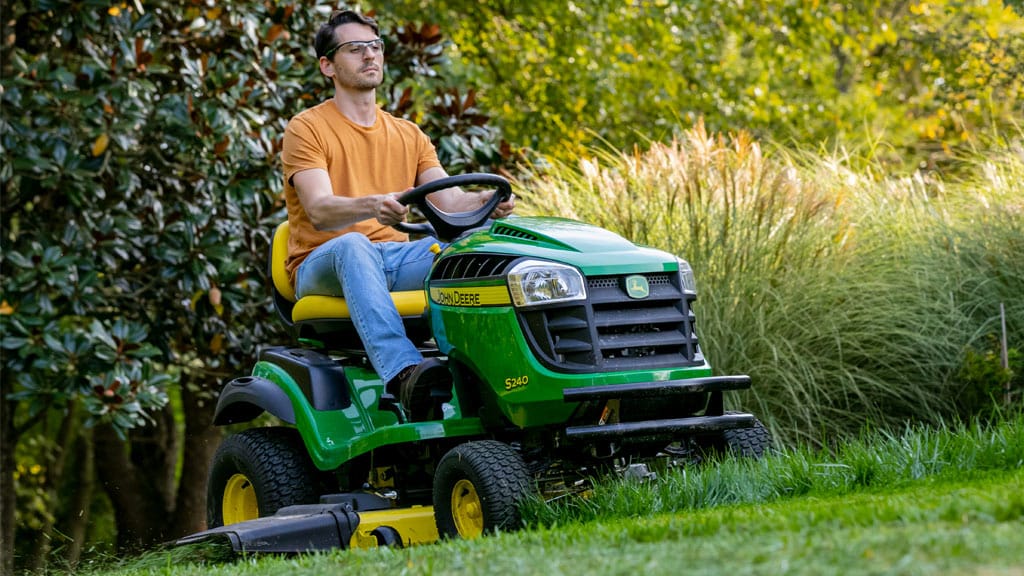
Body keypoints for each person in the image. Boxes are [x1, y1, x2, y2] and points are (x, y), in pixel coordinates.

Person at [280, 10, 515, 417]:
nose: (369, 56)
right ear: (328, 65)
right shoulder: (307, 128)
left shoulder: (409, 134)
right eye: (355, 49)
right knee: (353, 243)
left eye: (375, 47)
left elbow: (450, 202)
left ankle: (504, 375)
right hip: (322, 266)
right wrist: (372, 204)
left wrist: (487, 203)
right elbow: (319, 211)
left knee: (473, 247)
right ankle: (404, 373)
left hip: (393, 259)